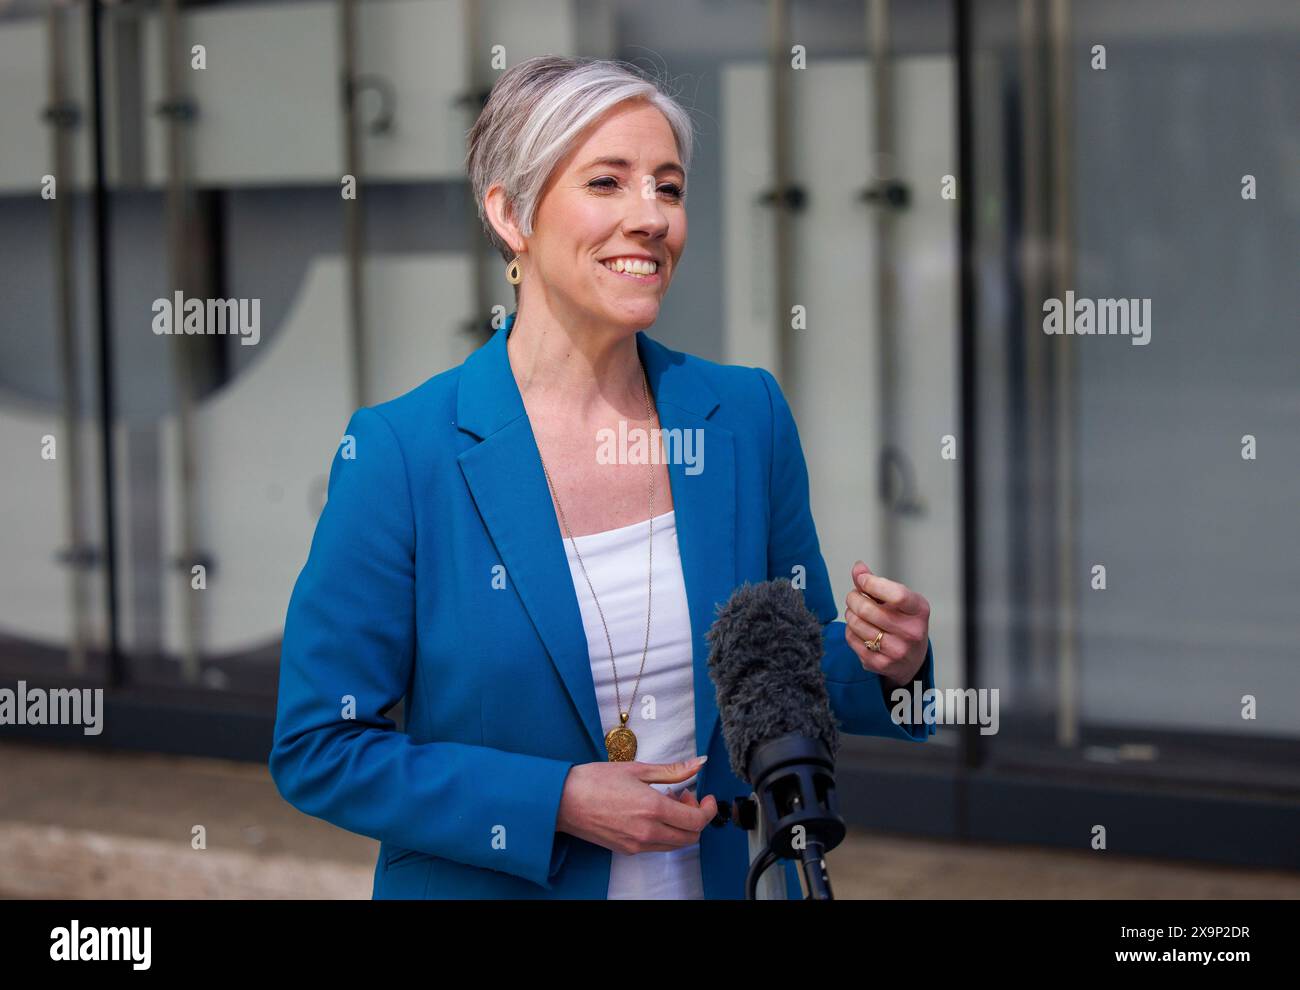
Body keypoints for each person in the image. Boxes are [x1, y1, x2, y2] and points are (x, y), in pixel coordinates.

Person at [269, 55, 936, 900]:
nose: (650, 217)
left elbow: (784, 671)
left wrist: (893, 666)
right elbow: (319, 749)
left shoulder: (742, 417)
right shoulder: (401, 453)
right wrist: (552, 801)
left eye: (668, 186)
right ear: (511, 214)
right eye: (608, 183)